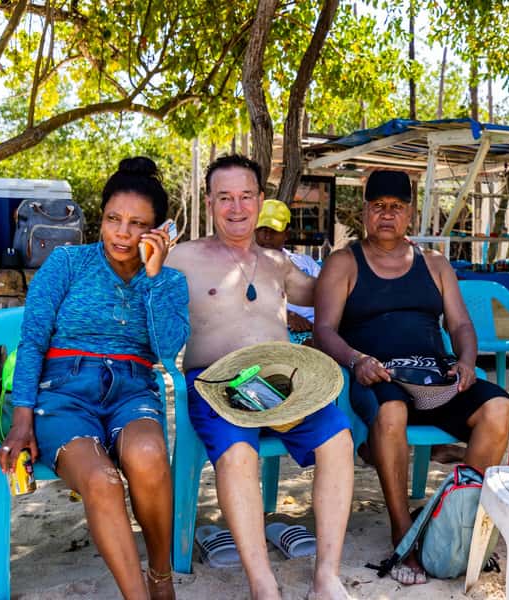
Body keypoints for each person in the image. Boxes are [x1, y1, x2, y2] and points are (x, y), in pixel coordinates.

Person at [0, 157, 188, 599]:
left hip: (132, 390)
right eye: (113, 219)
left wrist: (154, 277)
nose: (122, 233)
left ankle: (160, 577)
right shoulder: (67, 262)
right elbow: (32, 342)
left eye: (138, 224)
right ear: (100, 218)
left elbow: (165, 351)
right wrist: (22, 420)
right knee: (102, 480)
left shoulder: (171, 282)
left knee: (147, 452)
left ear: (159, 231)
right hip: (62, 392)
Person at [165, 155, 353, 600]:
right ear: (209, 202)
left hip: (280, 383)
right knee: (238, 456)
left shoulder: (278, 263)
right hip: (214, 384)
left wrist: (357, 262)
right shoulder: (183, 257)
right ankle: (263, 585)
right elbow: (143, 300)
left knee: (338, 441)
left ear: (260, 200)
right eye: (225, 197)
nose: (236, 207)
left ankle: (326, 576)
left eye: (246, 196)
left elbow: (330, 291)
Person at [313, 169, 509, 586]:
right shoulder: (344, 263)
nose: (387, 215)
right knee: (392, 408)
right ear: (364, 212)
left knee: (497, 407)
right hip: (376, 375)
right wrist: (356, 359)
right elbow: (324, 330)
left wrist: (466, 360)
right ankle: (403, 535)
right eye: (378, 206)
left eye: (397, 208)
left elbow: (459, 325)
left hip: (433, 375)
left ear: (410, 215)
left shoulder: (434, 264)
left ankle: (455, 523)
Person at [254, 199, 321, 344]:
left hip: (314, 334)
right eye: (262, 230)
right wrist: (286, 316)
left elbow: (329, 300)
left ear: (286, 234)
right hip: (271, 337)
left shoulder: (306, 264)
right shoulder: (243, 268)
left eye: (274, 231)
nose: (267, 236)